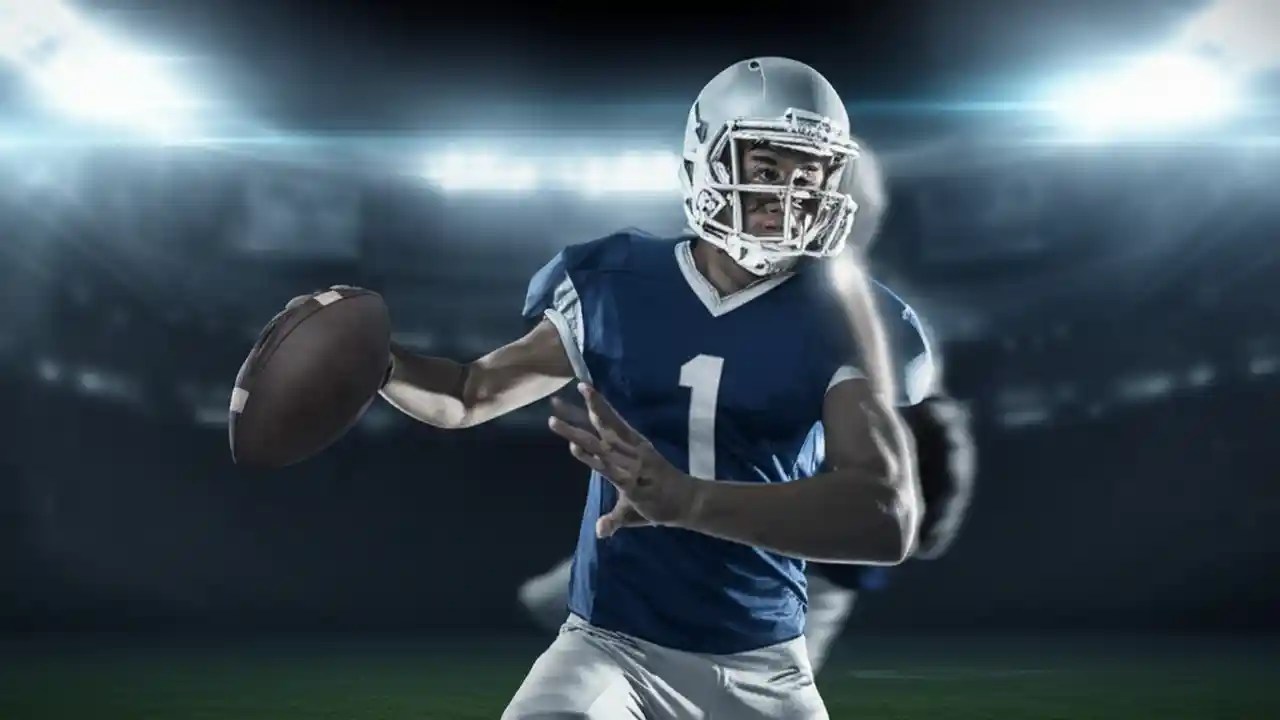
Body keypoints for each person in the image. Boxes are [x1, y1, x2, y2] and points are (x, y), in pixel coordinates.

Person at [377, 57, 924, 719]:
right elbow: (468, 394)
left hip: (765, 664)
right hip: (610, 646)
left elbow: (886, 515)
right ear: (706, 164)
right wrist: (375, 364)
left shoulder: (844, 313)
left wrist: (688, 501)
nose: (792, 195)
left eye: (808, 173)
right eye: (766, 169)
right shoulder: (618, 281)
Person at [514, 139, 978, 674]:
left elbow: (922, 447)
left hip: (795, 550)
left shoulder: (873, 319)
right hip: (704, 513)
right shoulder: (731, 286)